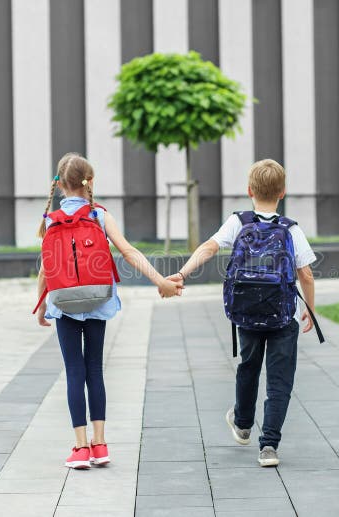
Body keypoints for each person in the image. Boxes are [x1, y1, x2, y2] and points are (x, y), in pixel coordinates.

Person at [36, 153, 182, 469]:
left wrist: (41, 305)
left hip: (63, 305)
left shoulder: (50, 220)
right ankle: (100, 445)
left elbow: (46, 269)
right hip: (98, 300)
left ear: (60, 185)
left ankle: (79, 448)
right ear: (90, 183)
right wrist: (161, 282)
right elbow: (129, 252)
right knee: (94, 370)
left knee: (74, 372)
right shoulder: (101, 216)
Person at [167, 159, 317, 467]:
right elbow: (307, 275)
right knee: (279, 381)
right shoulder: (291, 229)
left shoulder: (239, 222)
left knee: (248, 366)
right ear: (283, 192)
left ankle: (243, 424)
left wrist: (182, 273)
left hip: (247, 313)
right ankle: (269, 447)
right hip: (282, 316)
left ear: (249, 190)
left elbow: (209, 247)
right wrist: (310, 311)